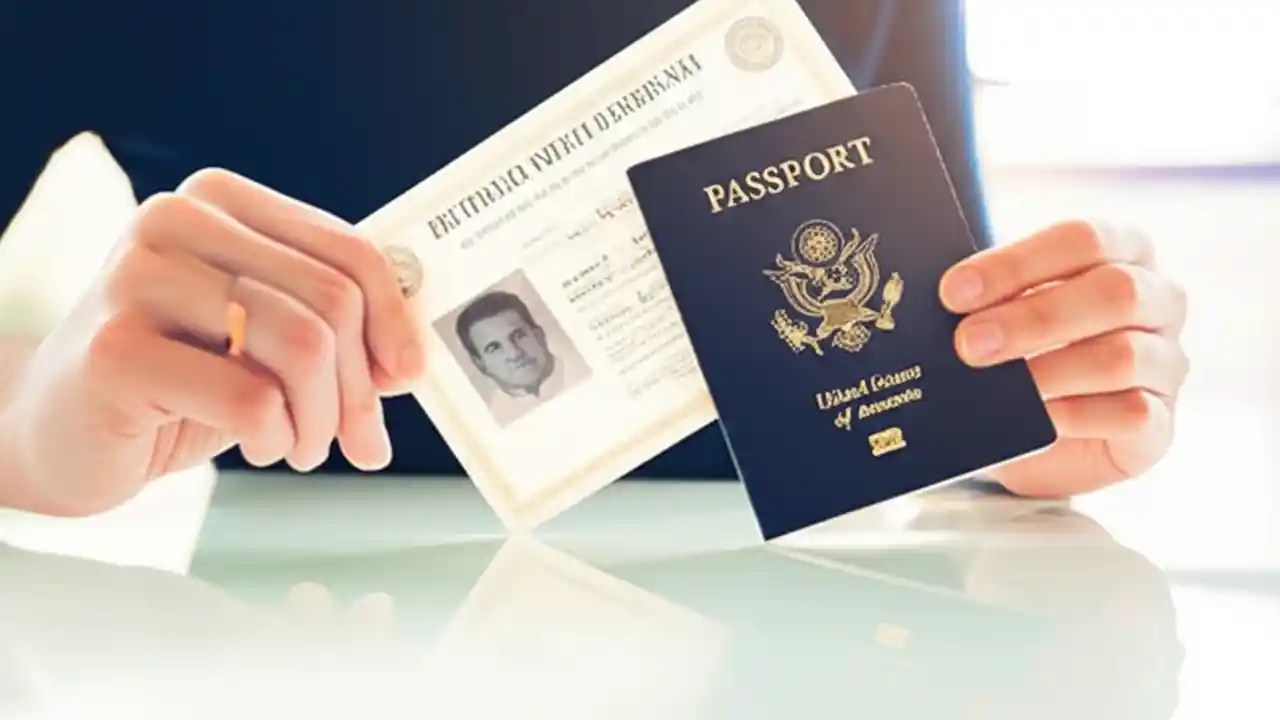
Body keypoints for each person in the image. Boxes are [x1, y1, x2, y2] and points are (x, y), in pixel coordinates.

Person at [0, 1, 1188, 516]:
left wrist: (1021, 402)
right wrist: (29, 439)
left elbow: (922, 337)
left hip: (794, 646)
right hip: (295, 649)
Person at [455, 290, 567, 424]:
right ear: (480, 364)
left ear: (539, 336)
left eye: (519, 335)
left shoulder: (581, 369)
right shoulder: (487, 421)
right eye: (494, 348)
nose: (515, 354)